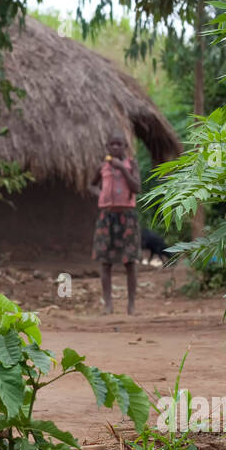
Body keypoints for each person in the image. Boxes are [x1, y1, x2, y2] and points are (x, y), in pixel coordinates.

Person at [90, 134, 140, 315]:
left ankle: (131, 305)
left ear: (125, 146)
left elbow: (137, 187)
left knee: (130, 261)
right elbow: (92, 185)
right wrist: (101, 195)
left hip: (127, 216)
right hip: (107, 217)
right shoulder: (102, 166)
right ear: (107, 147)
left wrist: (123, 170)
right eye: (113, 144)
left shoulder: (131, 165)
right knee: (105, 262)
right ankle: (108, 304)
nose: (116, 147)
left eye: (120, 144)